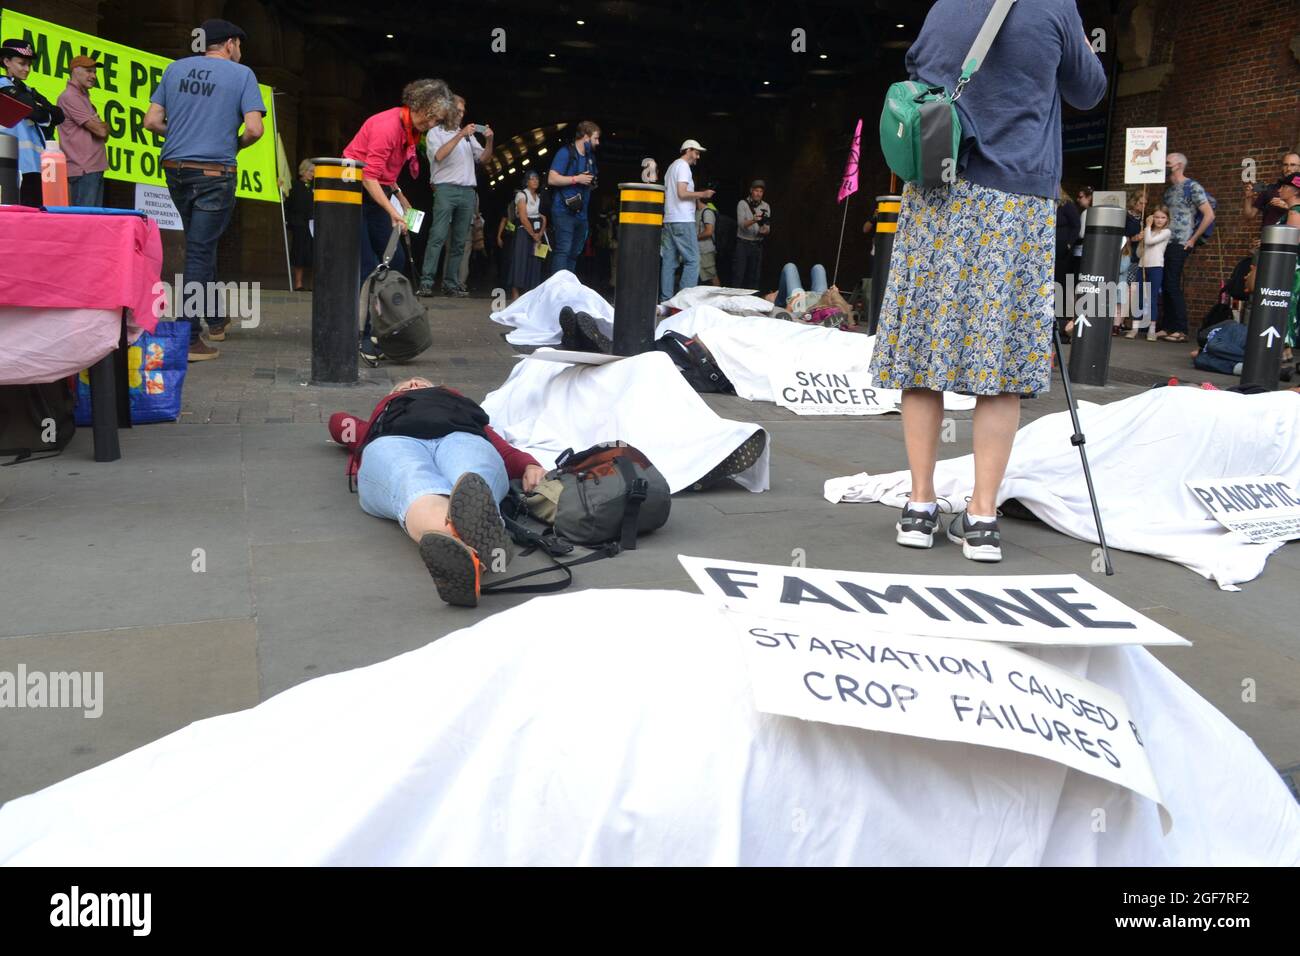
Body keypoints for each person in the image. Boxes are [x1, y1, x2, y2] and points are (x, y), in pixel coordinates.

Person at [869, 0, 1106, 562]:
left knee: (924, 352)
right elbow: (1088, 90)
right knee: (999, 364)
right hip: (1017, 203)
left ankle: (920, 507)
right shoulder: (1055, 8)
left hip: (938, 191)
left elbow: (918, 71)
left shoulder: (946, 5)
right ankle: (981, 519)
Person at [329, 377, 545, 608]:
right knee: (411, 478)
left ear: (441, 389)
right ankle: (473, 545)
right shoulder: (383, 414)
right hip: (395, 440)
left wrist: (528, 465)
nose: (412, 384)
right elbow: (338, 422)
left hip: (460, 435)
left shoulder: (461, 407)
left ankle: (462, 550)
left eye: (420, 382)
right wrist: (378, 412)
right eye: (405, 385)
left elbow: (501, 448)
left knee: (473, 473)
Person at [144, 19, 264, 363]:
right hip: (215, 172)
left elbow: (151, 121)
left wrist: (184, 136)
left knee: (200, 244)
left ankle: (214, 320)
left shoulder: (174, 70)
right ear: (229, 43)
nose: (240, 51)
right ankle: (187, 335)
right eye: (239, 44)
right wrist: (232, 144)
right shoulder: (242, 76)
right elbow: (254, 130)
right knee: (199, 251)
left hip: (175, 171)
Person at [343, 78, 453, 366]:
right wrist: (392, 212)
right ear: (425, 109)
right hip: (351, 192)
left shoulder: (409, 131)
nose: (433, 125)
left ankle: (382, 324)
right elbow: (369, 177)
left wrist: (400, 196)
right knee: (368, 268)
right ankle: (365, 337)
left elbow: (385, 173)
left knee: (396, 260)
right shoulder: (388, 128)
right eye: (434, 119)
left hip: (375, 192)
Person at [417, 95, 492, 298]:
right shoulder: (435, 133)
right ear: (447, 111)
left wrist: (490, 139)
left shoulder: (468, 135)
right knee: (438, 236)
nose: (461, 115)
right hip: (445, 189)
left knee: (459, 241)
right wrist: (459, 136)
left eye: (462, 111)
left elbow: (483, 159)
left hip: (467, 191)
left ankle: (450, 283)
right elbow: (439, 156)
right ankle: (426, 282)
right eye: (457, 111)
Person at [0, 38, 65, 207]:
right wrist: (41, 112)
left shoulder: (27, 90)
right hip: (10, 165)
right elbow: (33, 110)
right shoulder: (3, 85)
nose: (27, 69)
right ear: (6, 61)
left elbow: (59, 114)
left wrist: (41, 113)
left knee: (35, 214)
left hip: (36, 165)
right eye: (22, 63)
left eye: (29, 64)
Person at [1159, 151, 1215, 344]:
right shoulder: (1169, 190)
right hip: (1165, 240)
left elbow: (1209, 215)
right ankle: (1167, 326)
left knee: (1172, 282)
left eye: (1168, 162)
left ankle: (1180, 329)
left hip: (1181, 241)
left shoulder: (1192, 187)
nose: (1165, 164)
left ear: (1179, 165)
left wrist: (1193, 238)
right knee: (1166, 282)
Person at [660, 139, 714, 300]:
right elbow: (682, 193)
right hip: (683, 220)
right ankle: (683, 301)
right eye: (696, 153)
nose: (698, 157)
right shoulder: (683, 167)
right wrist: (702, 194)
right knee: (693, 261)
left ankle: (665, 301)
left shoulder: (671, 167)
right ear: (688, 150)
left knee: (669, 263)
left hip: (669, 219)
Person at [547, 120, 600, 277]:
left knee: (575, 252)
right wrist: (576, 179)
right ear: (585, 137)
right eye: (595, 138)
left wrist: (592, 182)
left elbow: (591, 179)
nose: (598, 142)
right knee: (564, 249)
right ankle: (557, 288)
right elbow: (552, 179)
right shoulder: (565, 153)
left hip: (581, 213)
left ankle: (567, 287)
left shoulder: (590, 158)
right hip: (563, 210)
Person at [56, 56, 109, 207]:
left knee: (92, 221)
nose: (93, 76)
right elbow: (102, 131)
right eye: (88, 71)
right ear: (74, 71)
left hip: (92, 168)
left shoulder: (83, 96)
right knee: (85, 221)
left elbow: (104, 134)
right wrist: (99, 123)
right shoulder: (70, 96)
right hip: (83, 169)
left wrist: (100, 125)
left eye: (95, 72)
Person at [1134, 206, 1171, 342]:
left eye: (1163, 217)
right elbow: (1138, 253)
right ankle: (1134, 328)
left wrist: (1147, 227)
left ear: (1167, 219)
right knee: (1138, 296)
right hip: (1142, 266)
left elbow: (1150, 241)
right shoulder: (1147, 231)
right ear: (1152, 217)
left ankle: (1151, 329)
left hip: (1156, 267)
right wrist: (1140, 239)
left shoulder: (1166, 232)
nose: (1159, 220)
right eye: (1156, 217)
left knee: (1152, 298)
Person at [509, 171, 547, 300]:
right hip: (524, 231)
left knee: (534, 261)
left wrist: (540, 233)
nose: (535, 181)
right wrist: (533, 234)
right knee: (520, 259)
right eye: (532, 179)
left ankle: (530, 293)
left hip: (537, 230)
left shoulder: (539, 197)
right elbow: (524, 218)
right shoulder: (522, 195)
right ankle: (515, 291)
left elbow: (543, 216)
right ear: (527, 181)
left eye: (537, 178)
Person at [1114, 189, 1146, 333]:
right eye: (1140, 203)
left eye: (1145, 203)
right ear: (1134, 201)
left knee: (1131, 289)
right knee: (1122, 288)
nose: (1143, 206)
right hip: (1126, 253)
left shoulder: (1144, 218)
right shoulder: (1126, 216)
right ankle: (1117, 321)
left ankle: (1122, 320)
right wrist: (1133, 238)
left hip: (1137, 255)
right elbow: (1122, 235)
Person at [1242, 152, 1300, 231]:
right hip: (1267, 239)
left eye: (1293, 165)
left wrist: (1288, 206)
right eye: (1285, 165)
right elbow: (1249, 215)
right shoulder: (1269, 189)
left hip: (1289, 239)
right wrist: (1248, 197)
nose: (1288, 168)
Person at [733, 180, 771, 289]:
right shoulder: (742, 204)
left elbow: (768, 227)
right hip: (743, 244)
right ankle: (734, 300)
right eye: (756, 191)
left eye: (761, 191)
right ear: (751, 191)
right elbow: (741, 224)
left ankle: (752, 301)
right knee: (739, 274)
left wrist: (765, 230)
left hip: (757, 245)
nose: (758, 193)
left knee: (754, 276)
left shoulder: (766, 206)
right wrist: (753, 220)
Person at [286, 159, 314, 291]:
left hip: (312, 224)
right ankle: (298, 283)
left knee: (312, 253)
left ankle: (313, 284)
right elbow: (289, 204)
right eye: (310, 171)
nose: (312, 174)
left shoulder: (315, 188)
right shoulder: (294, 185)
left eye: (314, 172)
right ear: (303, 171)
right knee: (299, 252)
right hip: (299, 224)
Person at [696, 197, 720, 286]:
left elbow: (709, 231)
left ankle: (719, 298)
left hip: (706, 250)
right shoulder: (697, 212)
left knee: (712, 276)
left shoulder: (707, 212)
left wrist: (694, 238)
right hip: (699, 250)